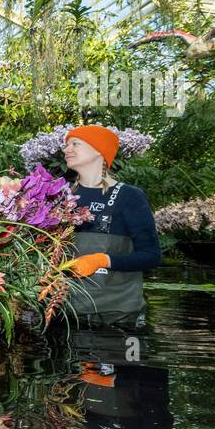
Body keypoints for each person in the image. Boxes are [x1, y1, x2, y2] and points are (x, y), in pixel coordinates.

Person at [59, 126, 161, 328]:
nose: (66, 150)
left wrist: (103, 260)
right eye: (67, 144)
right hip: (64, 314)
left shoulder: (129, 197)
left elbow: (152, 256)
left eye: (75, 144)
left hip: (116, 318)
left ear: (99, 150)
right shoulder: (60, 194)